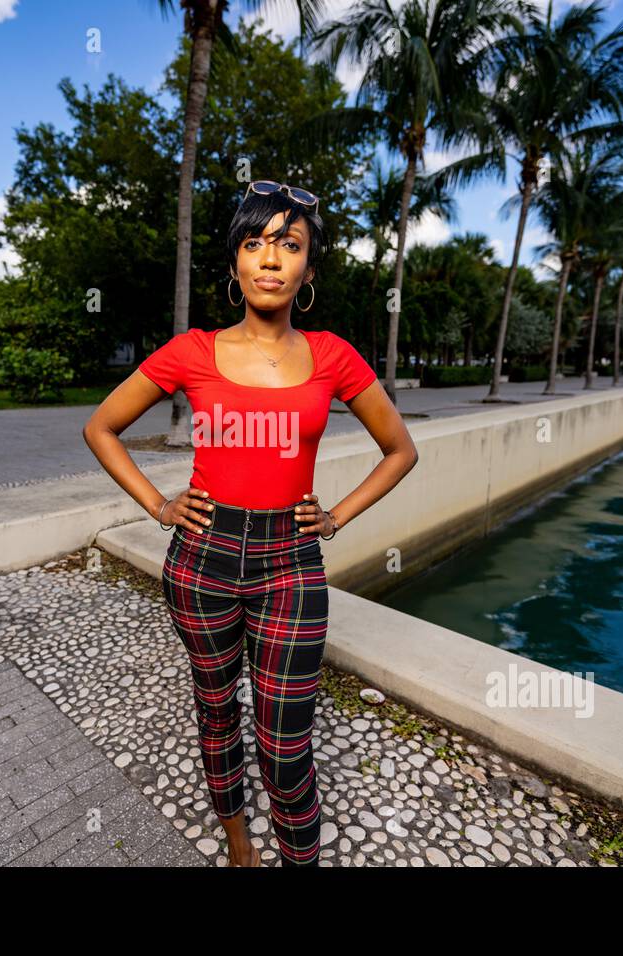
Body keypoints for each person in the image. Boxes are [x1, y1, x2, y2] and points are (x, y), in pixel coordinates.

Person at [82, 180, 418, 866]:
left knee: (286, 744)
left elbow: (400, 451)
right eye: (254, 243)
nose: (270, 259)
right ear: (236, 263)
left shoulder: (334, 356)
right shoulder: (191, 351)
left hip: (291, 564)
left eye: (288, 245)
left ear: (308, 270)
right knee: (215, 712)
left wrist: (334, 517)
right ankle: (238, 844)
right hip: (201, 557)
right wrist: (159, 505)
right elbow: (102, 427)